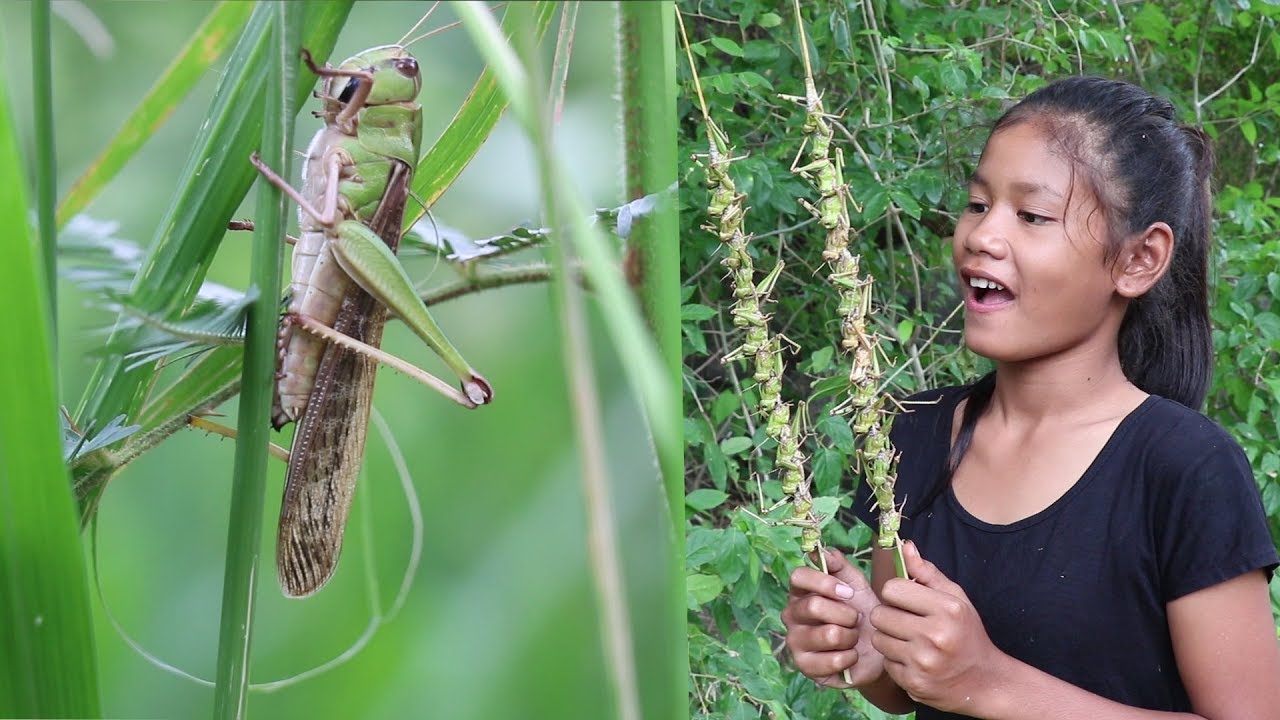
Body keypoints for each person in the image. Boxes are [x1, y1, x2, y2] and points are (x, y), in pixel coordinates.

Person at [781, 76, 1280, 719]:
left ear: (1137, 260)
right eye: (977, 204)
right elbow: (912, 689)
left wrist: (990, 681)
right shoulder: (908, 434)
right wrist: (868, 646)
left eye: (1033, 215)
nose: (984, 236)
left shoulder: (1186, 468)